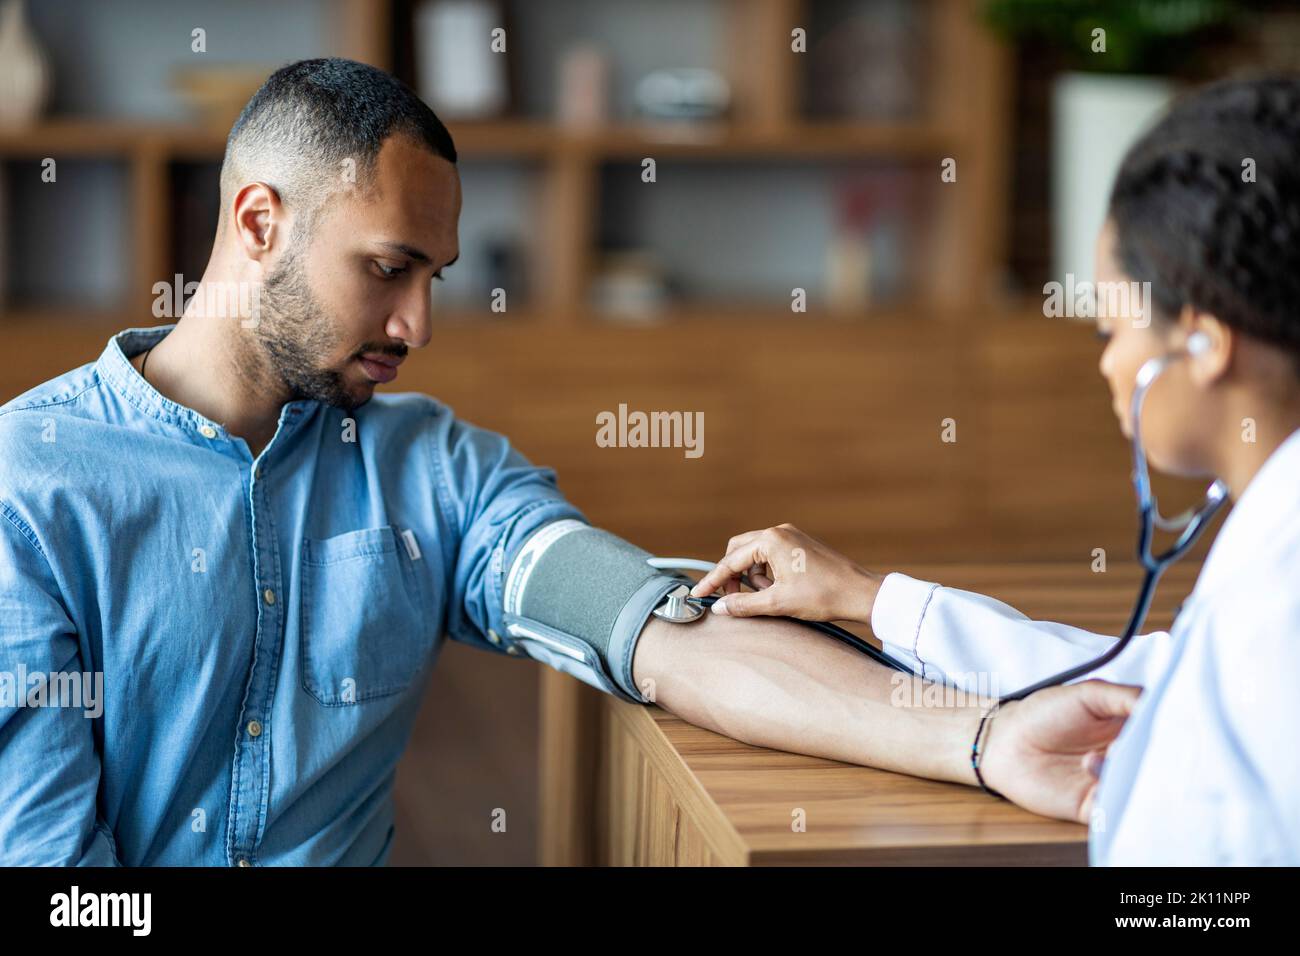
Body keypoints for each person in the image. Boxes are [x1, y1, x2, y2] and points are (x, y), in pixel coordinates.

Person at [0, 57, 1134, 866]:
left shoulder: (432, 471)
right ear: (257, 222)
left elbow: (657, 631)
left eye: (434, 276)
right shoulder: (31, 485)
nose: (417, 325)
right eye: (388, 267)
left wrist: (980, 739)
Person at [691, 74, 1300, 865]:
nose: (1107, 366)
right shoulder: (1270, 553)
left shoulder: (1277, 600)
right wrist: (870, 597)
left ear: (1205, 345)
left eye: (1110, 332)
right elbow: (1149, 682)